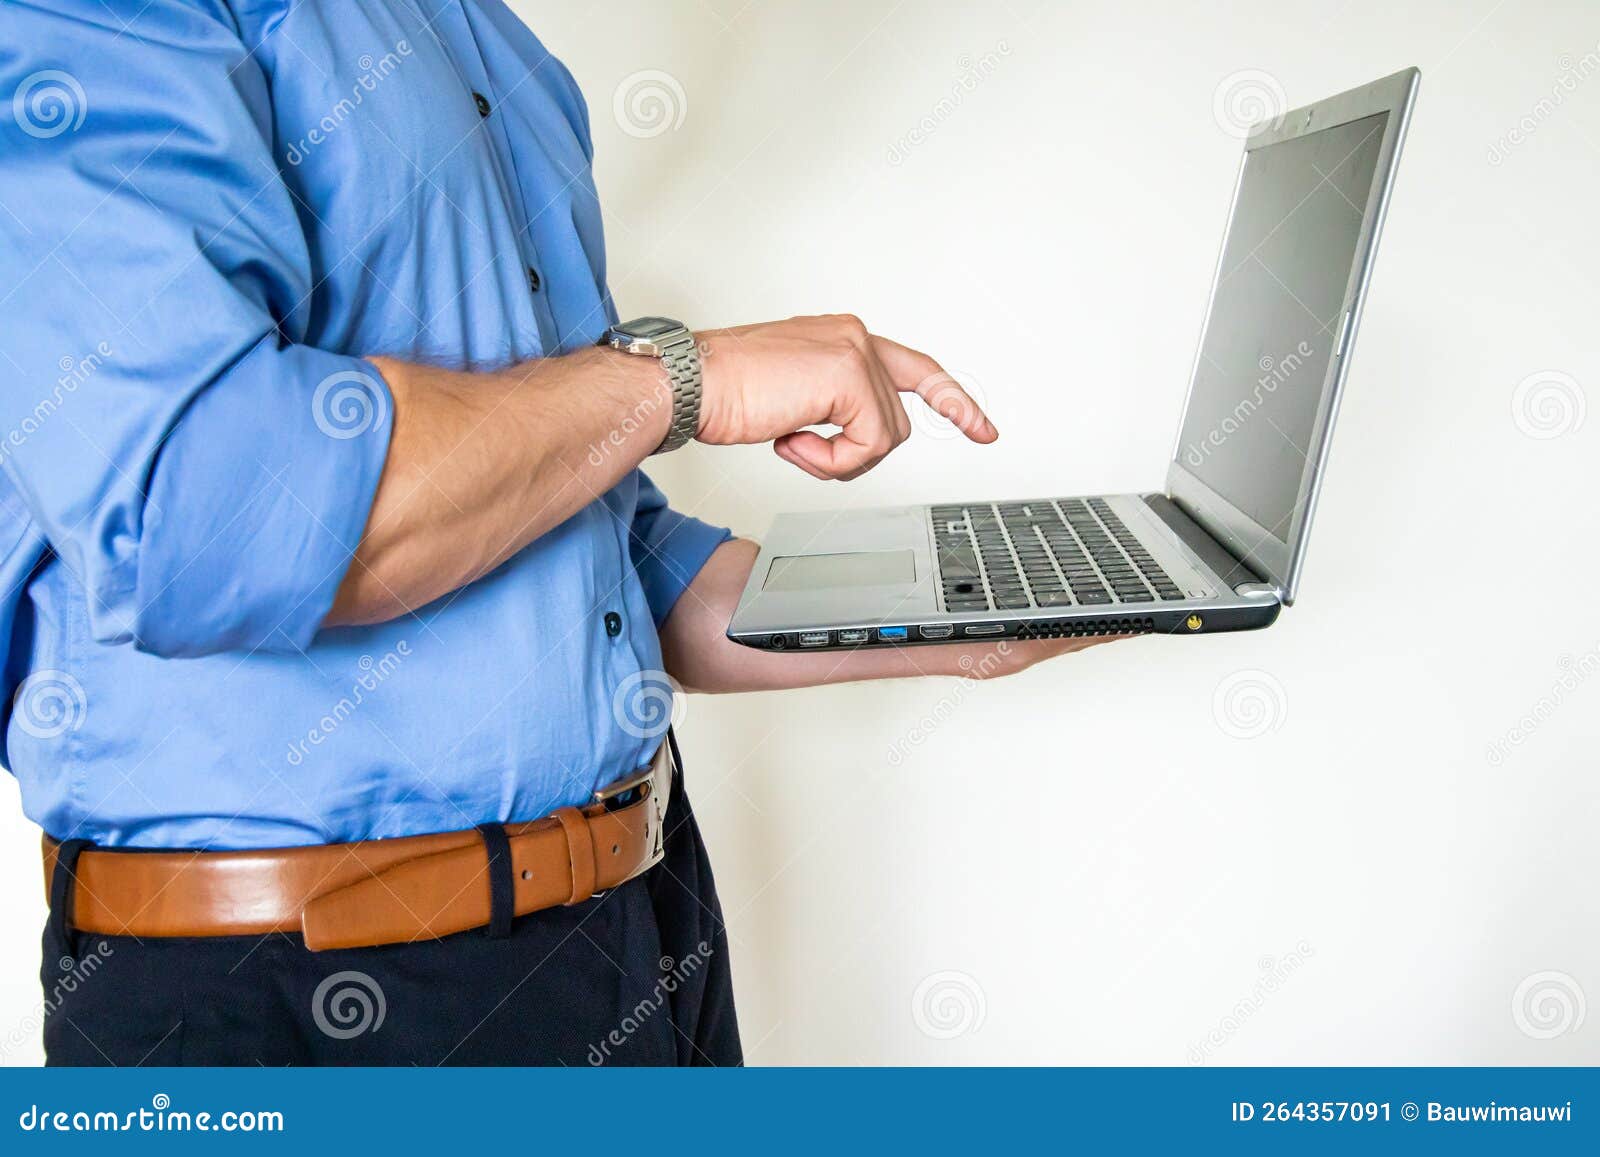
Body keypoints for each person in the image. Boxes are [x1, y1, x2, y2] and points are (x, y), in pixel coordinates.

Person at [0, 0, 1108, 1066]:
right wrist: (681, 379)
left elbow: (595, 555)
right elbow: (211, 511)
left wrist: (957, 612)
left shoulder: (489, 45)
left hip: (636, 925)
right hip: (298, 993)